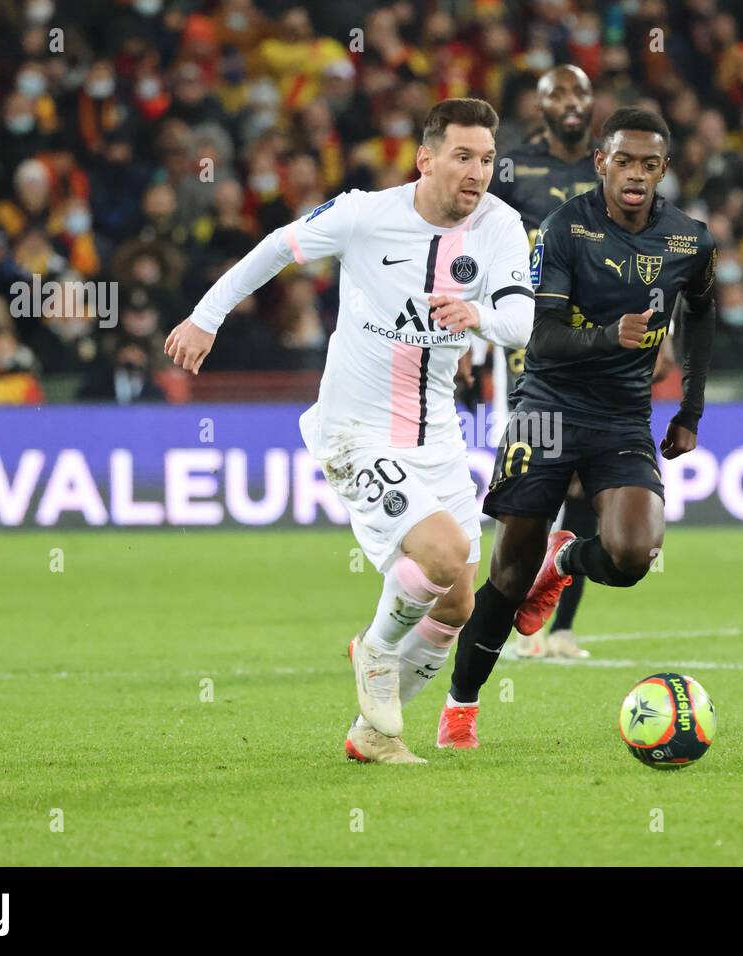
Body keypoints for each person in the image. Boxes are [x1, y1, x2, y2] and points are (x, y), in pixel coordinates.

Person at [164, 99, 534, 764]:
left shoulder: (501, 226)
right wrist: (205, 317)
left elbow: (523, 321)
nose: (478, 171)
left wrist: (475, 313)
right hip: (356, 432)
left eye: (485, 158)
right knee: (443, 554)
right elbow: (277, 247)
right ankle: (376, 648)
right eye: (463, 156)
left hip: (438, 436)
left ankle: (372, 735)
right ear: (426, 159)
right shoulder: (365, 214)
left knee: (455, 608)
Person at [438, 107, 717, 749]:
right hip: (549, 406)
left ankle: (567, 557)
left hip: (623, 417)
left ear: (664, 170)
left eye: (650, 165)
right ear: (601, 163)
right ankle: (460, 707)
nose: (636, 175)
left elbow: (701, 318)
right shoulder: (565, 229)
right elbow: (543, 335)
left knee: (631, 557)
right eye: (624, 161)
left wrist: (690, 412)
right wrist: (606, 337)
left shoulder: (690, 241)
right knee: (509, 575)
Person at [487, 64, 601, 660]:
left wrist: (668, 342)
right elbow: (477, 248)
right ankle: (505, 619)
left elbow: (659, 255)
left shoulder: (610, 168)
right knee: (534, 472)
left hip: (601, 341)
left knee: (583, 475)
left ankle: (562, 630)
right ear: (541, 105)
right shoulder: (510, 169)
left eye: (581, 90)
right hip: (527, 342)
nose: (572, 102)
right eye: (559, 92)